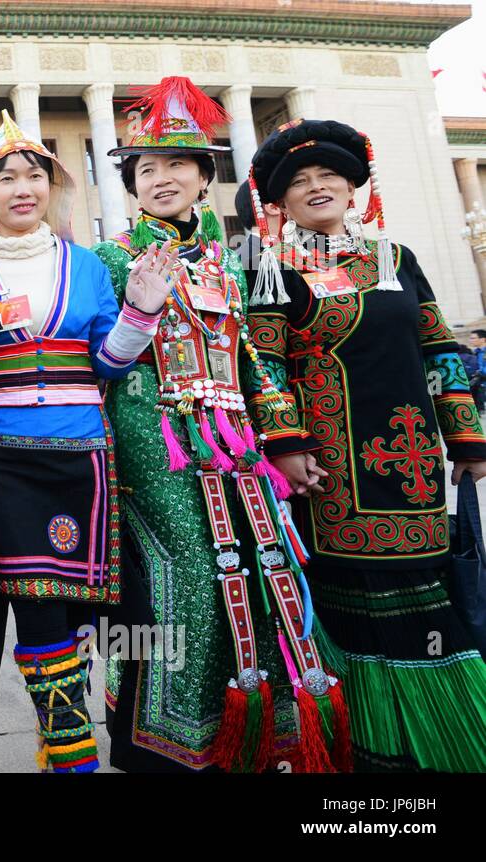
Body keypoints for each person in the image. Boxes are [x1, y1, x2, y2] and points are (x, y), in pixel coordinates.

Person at [93, 79, 348, 773]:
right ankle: (163, 742)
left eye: (177, 165)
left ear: (205, 176)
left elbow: (252, 364)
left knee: (270, 573)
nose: (162, 179)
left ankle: (261, 731)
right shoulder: (111, 258)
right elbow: (107, 362)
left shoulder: (230, 267)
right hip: (159, 445)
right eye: (146, 170)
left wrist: (285, 439)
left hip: (237, 449)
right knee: (194, 579)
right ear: (132, 189)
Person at [247, 118, 486, 771]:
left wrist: (467, 435)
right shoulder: (270, 265)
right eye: (298, 182)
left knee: (431, 593)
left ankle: (446, 739)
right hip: (333, 473)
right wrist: (285, 442)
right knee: (359, 600)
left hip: (414, 468)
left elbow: (438, 346)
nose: (316, 186)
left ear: (353, 188)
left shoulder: (397, 259)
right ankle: (373, 749)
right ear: (281, 202)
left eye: (328, 175)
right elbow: (262, 361)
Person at [0, 111, 166, 773]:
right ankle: (75, 758)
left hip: (81, 456)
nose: (21, 187)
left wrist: (143, 310)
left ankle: (56, 746)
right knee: (36, 609)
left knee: (77, 609)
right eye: (6, 177)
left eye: (34, 175)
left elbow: (108, 362)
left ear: (51, 187)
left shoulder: (86, 265)